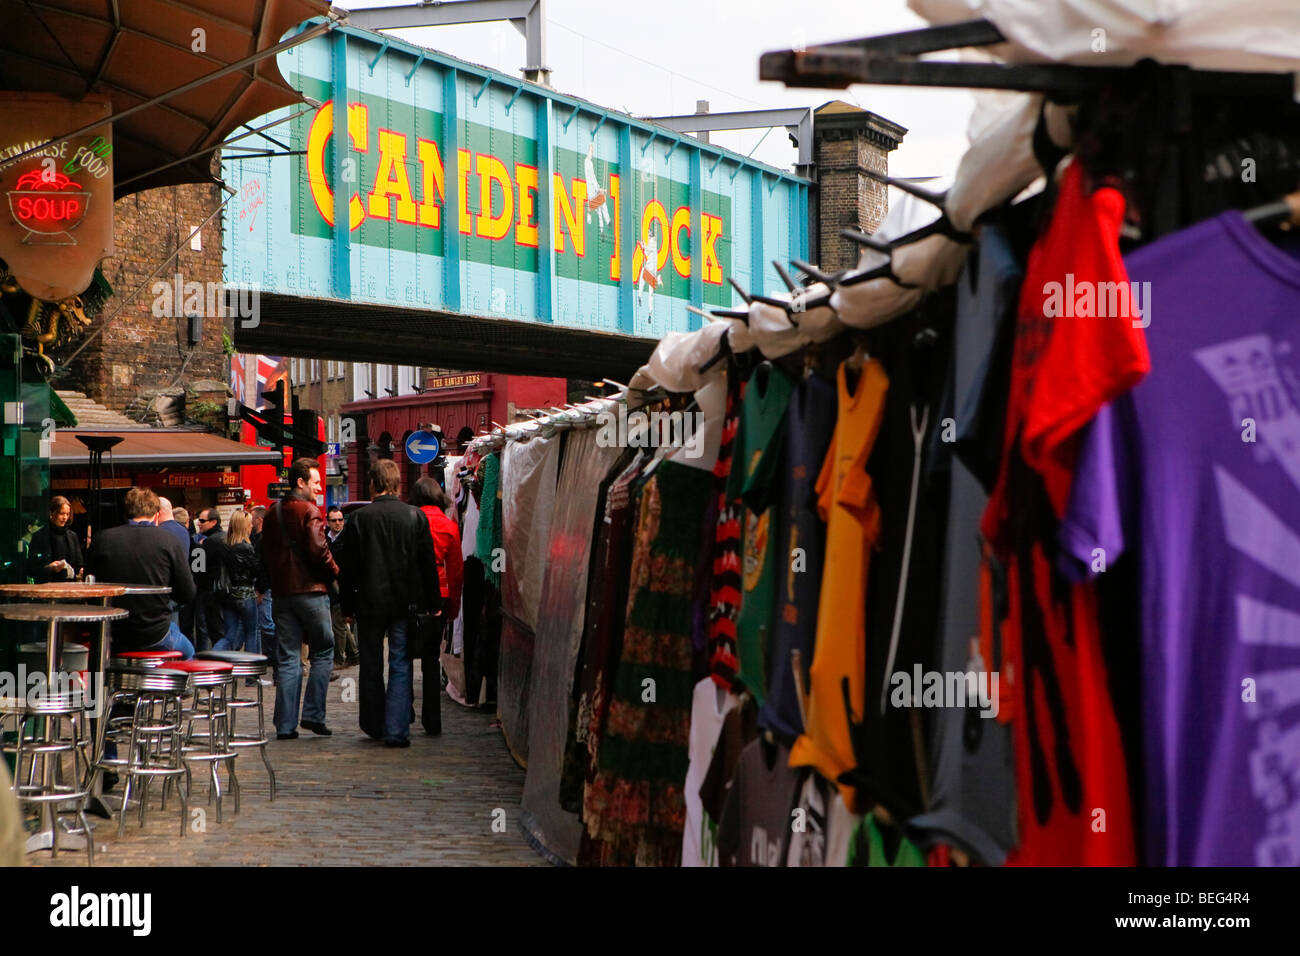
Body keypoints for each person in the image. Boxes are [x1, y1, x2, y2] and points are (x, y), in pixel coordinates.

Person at [339, 460, 441, 747]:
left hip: (369, 604)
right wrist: (432, 602)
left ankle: (373, 723)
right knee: (400, 663)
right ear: (397, 484)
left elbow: (349, 569)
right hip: (404, 603)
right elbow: (427, 565)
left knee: (371, 664)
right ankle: (396, 730)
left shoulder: (360, 519)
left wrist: (347, 607)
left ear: (373, 484)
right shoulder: (415, 516)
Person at [260, 459, 338, 739]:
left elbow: (264, 554)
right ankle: (313, 714)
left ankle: (285, 725)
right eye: (316, 482)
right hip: (311, 591)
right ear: (300, 483)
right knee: (323, 651)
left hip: (282, 594)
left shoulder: (273, 513)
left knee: (289, 658)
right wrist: (335, 571)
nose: (320, 488)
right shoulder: (310, 511)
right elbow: (319, 551)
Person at [86, 486, 196, 658]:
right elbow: (187, 593)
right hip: (156, 633)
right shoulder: (168, 541)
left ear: (126, 512)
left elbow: (90, 589)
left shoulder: (102, 540)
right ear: (157, 514)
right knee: (189, 653)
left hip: (113, 633)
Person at [410, 478, 463, 736]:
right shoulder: (449, 526)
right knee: (431, 660)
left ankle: (403, 709)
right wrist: (453, 607)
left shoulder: (409, 521)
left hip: (410, 597)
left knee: (403, 655)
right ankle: (432, 720)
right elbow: (456, 572)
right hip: (439, 598)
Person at [213, 510, 261, 655]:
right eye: (249, 523)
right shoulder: (246, 547)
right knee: (251, 633)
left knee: (229, 635)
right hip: (245, 594)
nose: (252, 526)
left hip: (228, 596)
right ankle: (251, 675)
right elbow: (255, 571)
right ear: (244, 526)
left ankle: (212, 659)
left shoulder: (224, 546)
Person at [326, 506, 360, 668]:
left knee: (338, 623)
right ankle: (354, 655)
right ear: (328, 522)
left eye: (340, 520)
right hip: (330, 583)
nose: (338, 523)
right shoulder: (326, 537)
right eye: (334, 520)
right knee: (341, 623)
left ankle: (339, 658)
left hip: (343, 583)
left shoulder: (347, 538)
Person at [192, 508, 229, 652]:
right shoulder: (226, 538)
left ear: (213, 522)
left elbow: (196, 568)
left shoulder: (207, 542)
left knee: (211, 630)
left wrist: (197, 548)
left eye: (202, 521)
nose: (199, 524)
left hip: (209, 592)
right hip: (225, 592)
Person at [26, 495, 84, 582]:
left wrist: (80, 571)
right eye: (61, 513)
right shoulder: (39, 536)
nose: (65, 518)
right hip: (47, 588)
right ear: (51, 513)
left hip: (70, 588)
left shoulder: (72, 536)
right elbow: (31, 569)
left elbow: (79, 564)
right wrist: (49, 568)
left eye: (67, 514)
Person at [250, 505, 276, 672]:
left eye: (252, 518)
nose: (250, 521)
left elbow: (264, 567)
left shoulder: (264, 539)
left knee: (267, 624)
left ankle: (278, 655)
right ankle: (267, 658)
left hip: (265, 588)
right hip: (263, 587)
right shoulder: (257, 537)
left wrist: (261, 589)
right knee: (261, 625)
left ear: (259, 519)